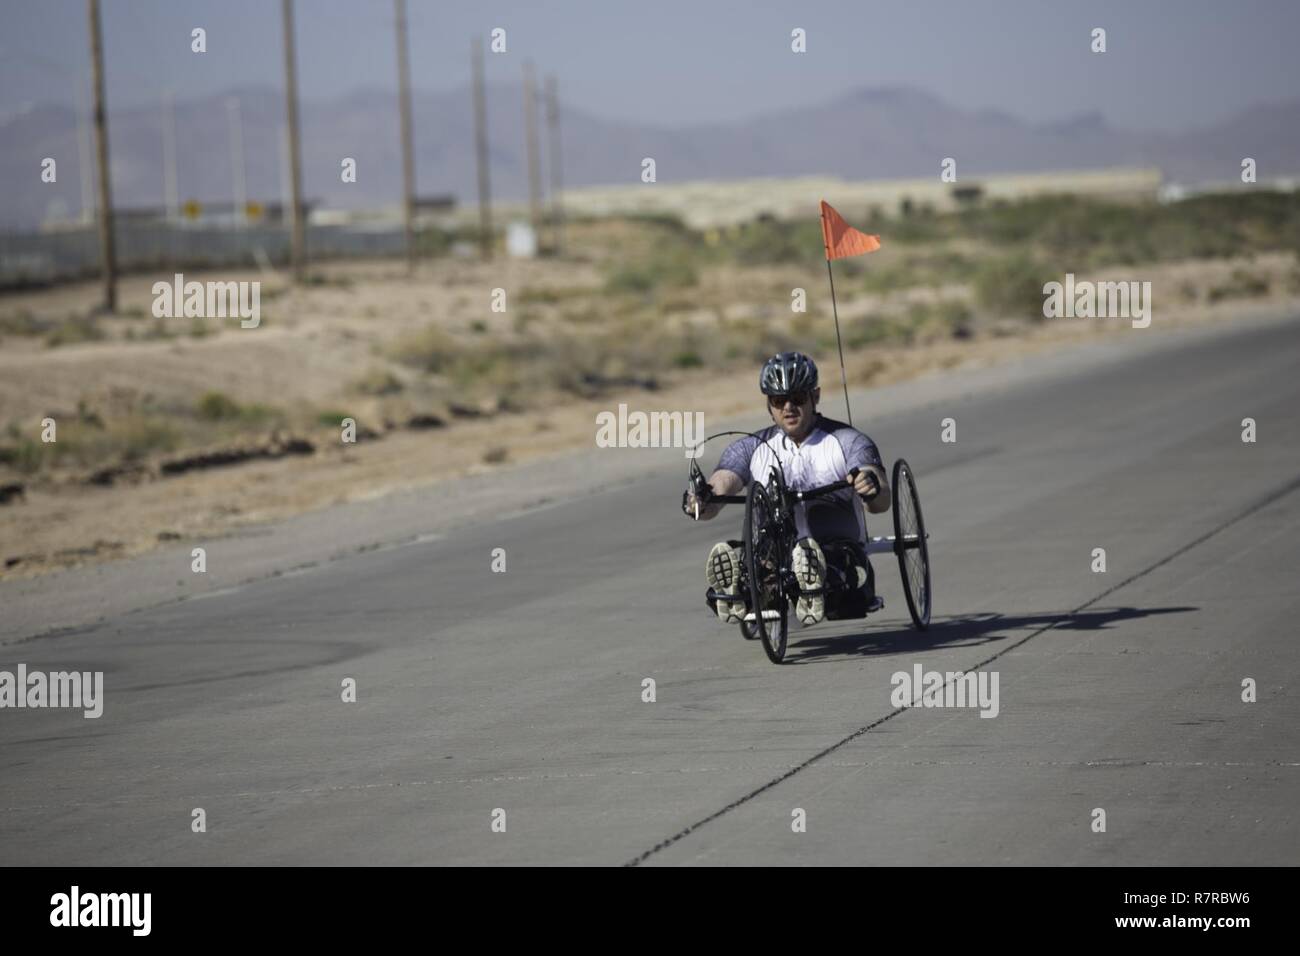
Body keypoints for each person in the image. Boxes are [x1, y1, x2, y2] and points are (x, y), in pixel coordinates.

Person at [683, 351, 891, 625]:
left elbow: (880, 499)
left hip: (837, 550)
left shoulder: (848, 441)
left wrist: (870, 485)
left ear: (815, 396)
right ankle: (736, 593)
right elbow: (723, 482)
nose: (788, 407)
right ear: (769, 405)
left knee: (836, 569)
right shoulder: (749, 447)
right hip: (776, 557)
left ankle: (814, 581)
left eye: (798, 398)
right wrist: (703, 498)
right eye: (779, 401)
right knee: (759, 571)